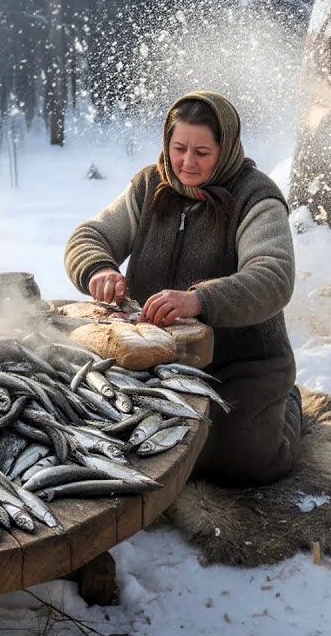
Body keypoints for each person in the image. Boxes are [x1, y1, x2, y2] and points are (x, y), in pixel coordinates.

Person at [64, 91, 301, 486]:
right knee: (120, 445)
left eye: (202, 152)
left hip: (239, 362)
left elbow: (273, 276)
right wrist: (98, 269)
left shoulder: (255, 197)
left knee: (239, 461)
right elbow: (89, 235)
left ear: (226, 149)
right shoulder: (150, 184)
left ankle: (288, 403)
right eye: (179, 148)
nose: (187, 163)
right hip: (150, 357)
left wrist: (199, 300)